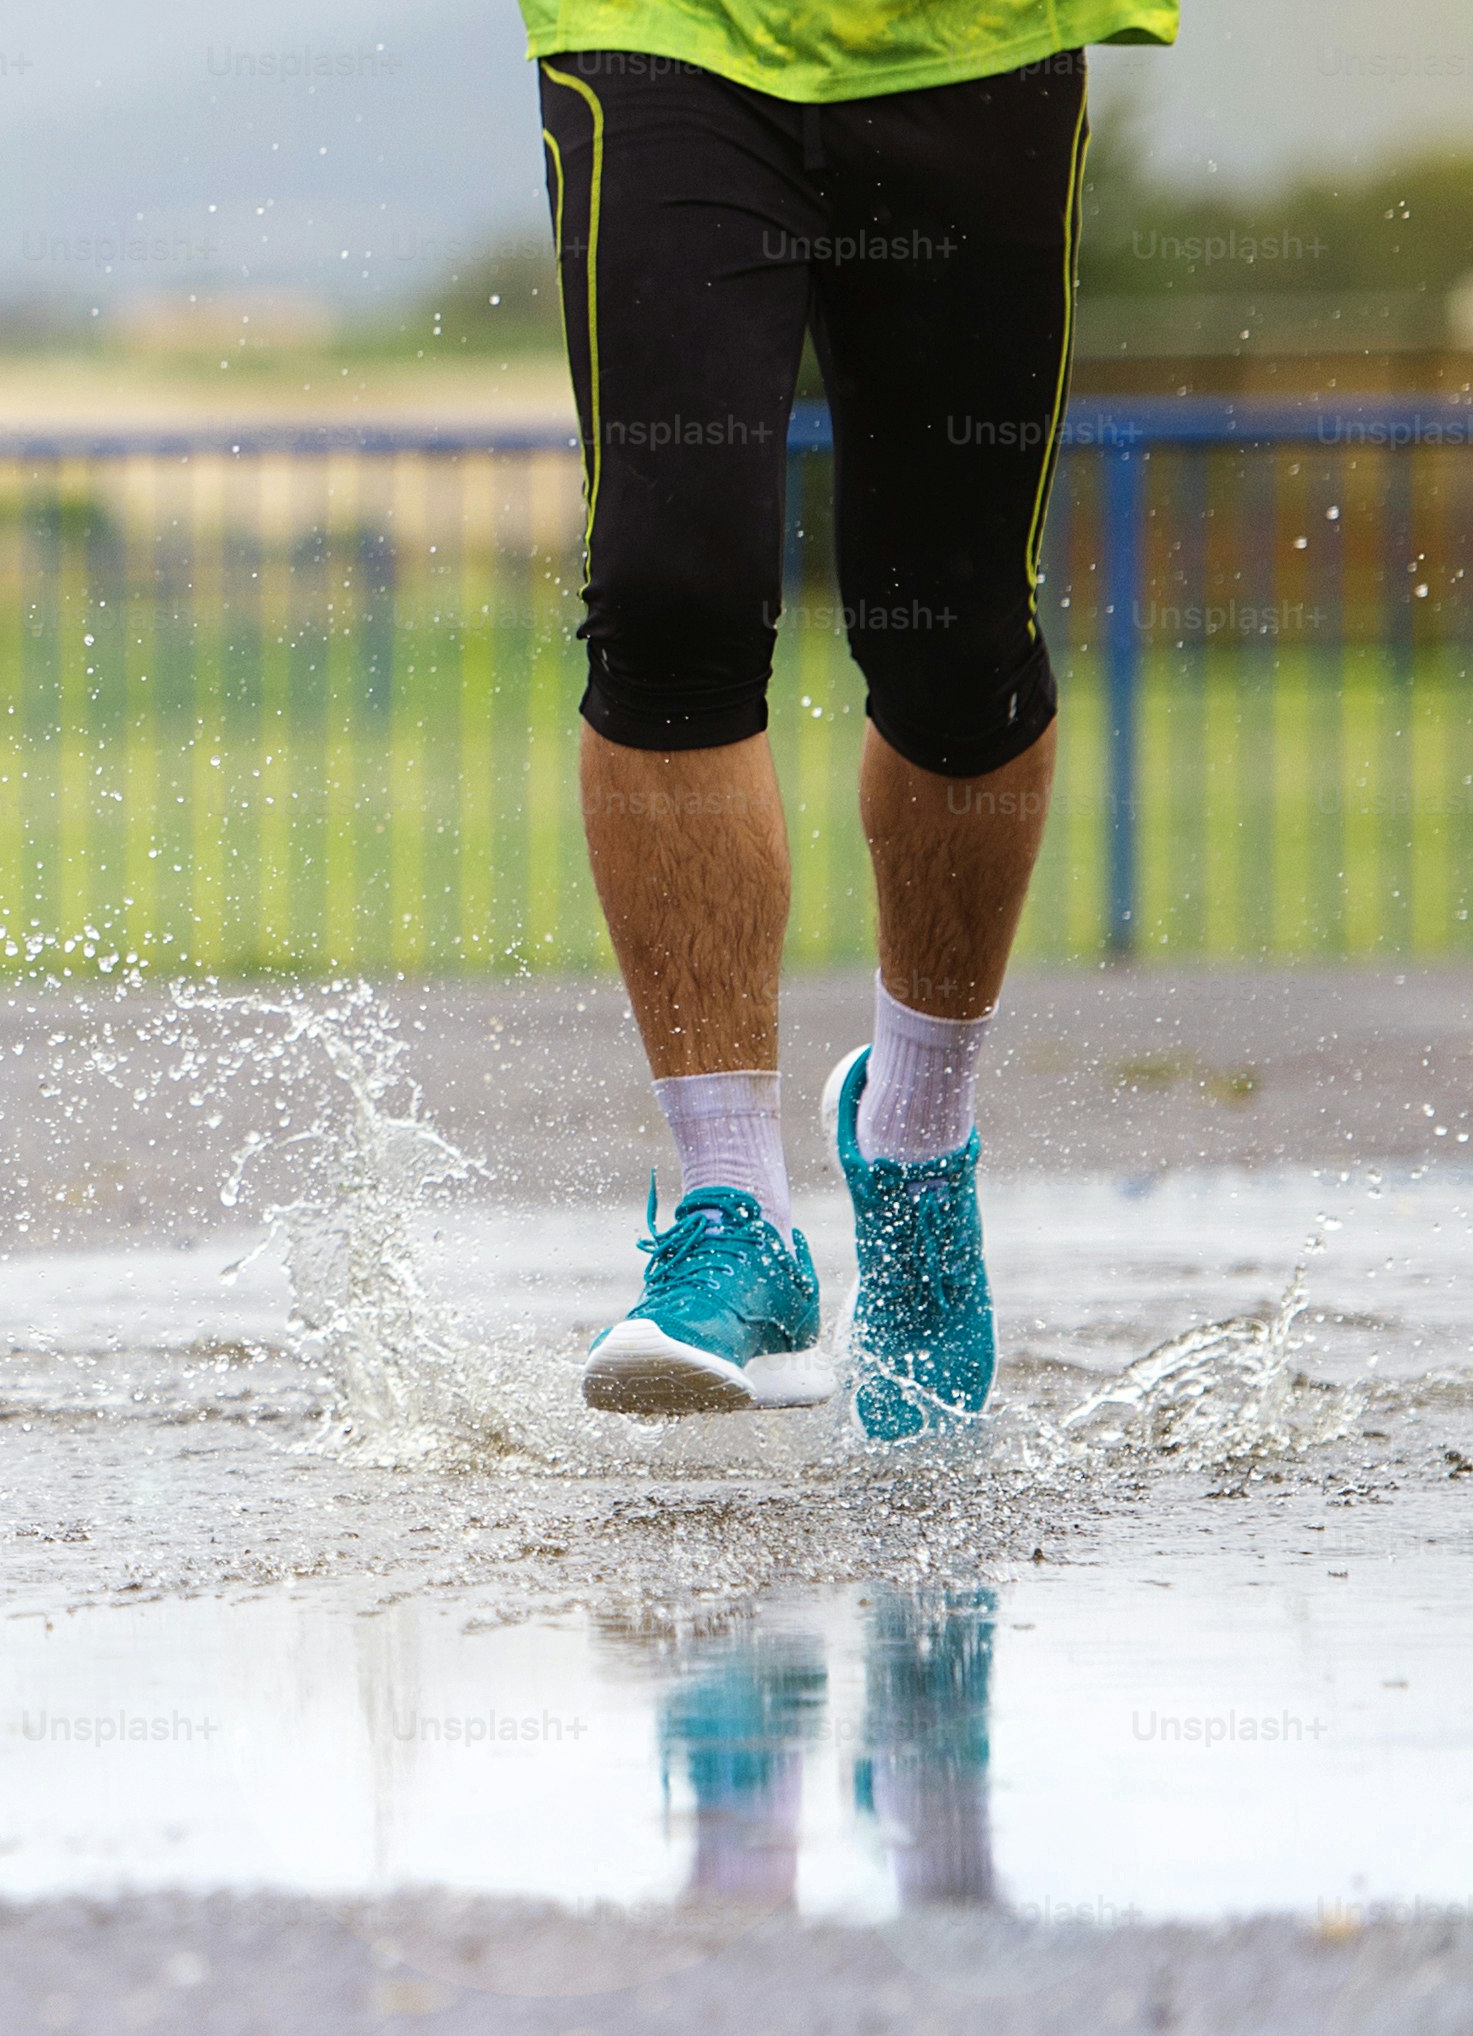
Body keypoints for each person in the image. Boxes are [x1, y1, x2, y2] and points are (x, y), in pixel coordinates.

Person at [522, 0, 1170, 1437]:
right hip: (663, 33)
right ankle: (732, 1207)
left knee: (952, 645)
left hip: (976, 39)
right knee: (667, 588)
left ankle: (917, 1143)